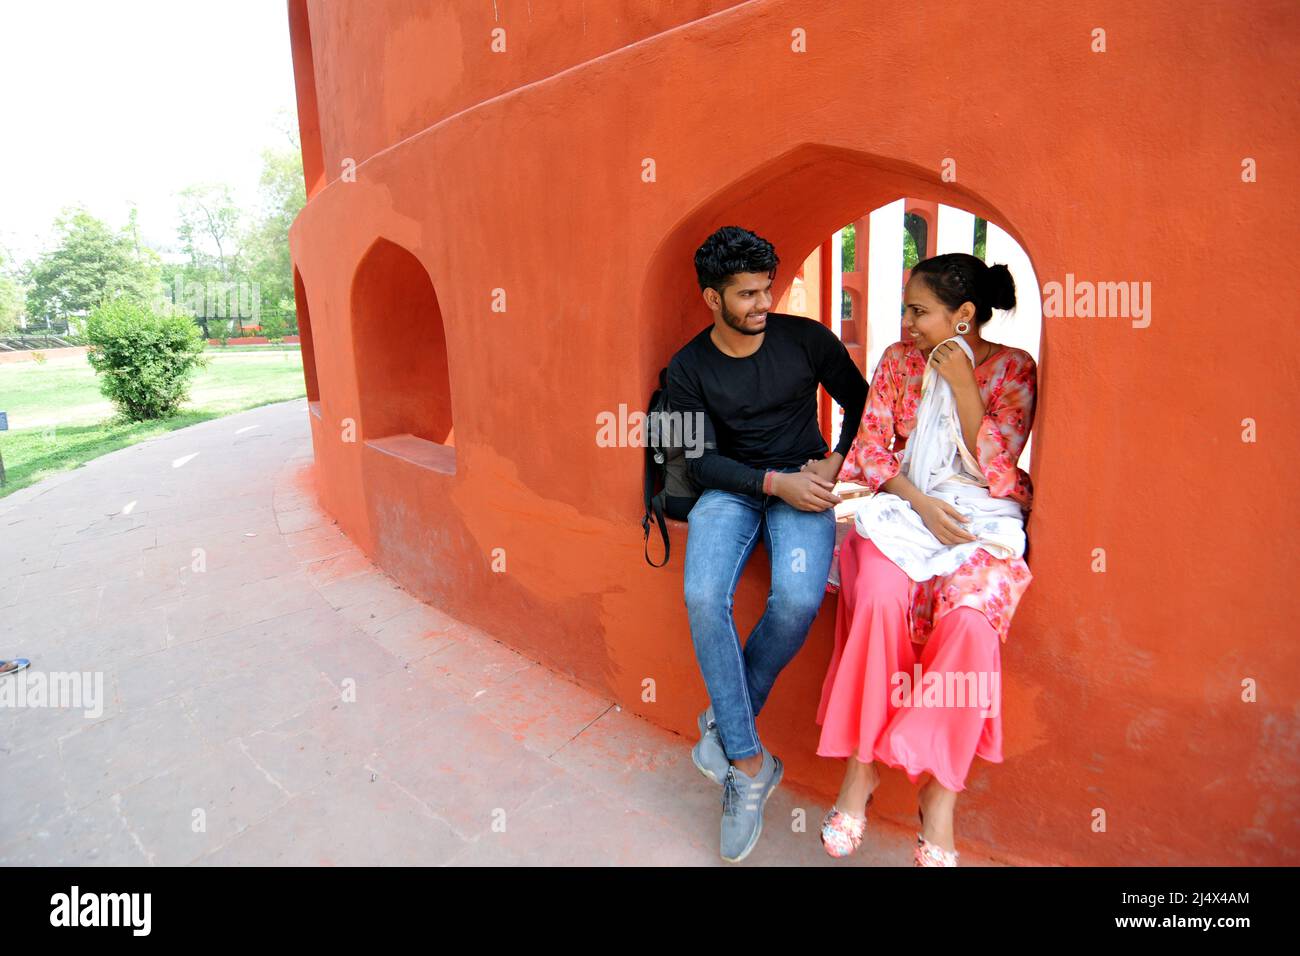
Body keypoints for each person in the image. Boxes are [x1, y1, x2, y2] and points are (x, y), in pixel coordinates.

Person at [813, 253, 1036, 866]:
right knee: (881, 596)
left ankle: (939, 793)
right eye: (906, 308)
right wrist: (920, 504)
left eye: (920, 310)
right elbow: (870, 452)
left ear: (964, 316)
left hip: (980, 519)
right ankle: (861, 772)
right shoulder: (896, 361)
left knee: (971, 621)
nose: (906, 321)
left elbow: (997, 467)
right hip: (903, 510)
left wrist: (964, 383)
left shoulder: (1014, 369)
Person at [666, 225, 868, 862]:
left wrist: (834, 463)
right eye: (747, 294)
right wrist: (770, 483)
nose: (761, 304)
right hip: (733, 488)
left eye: (765, 290)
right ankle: (749, 764)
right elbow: (696, 462)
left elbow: (866, 403)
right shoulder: (686, 367)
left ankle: (724, 727)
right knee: (702, 594)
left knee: (797, 601)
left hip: (806, 478)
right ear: (711, 298)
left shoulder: (805, 339)